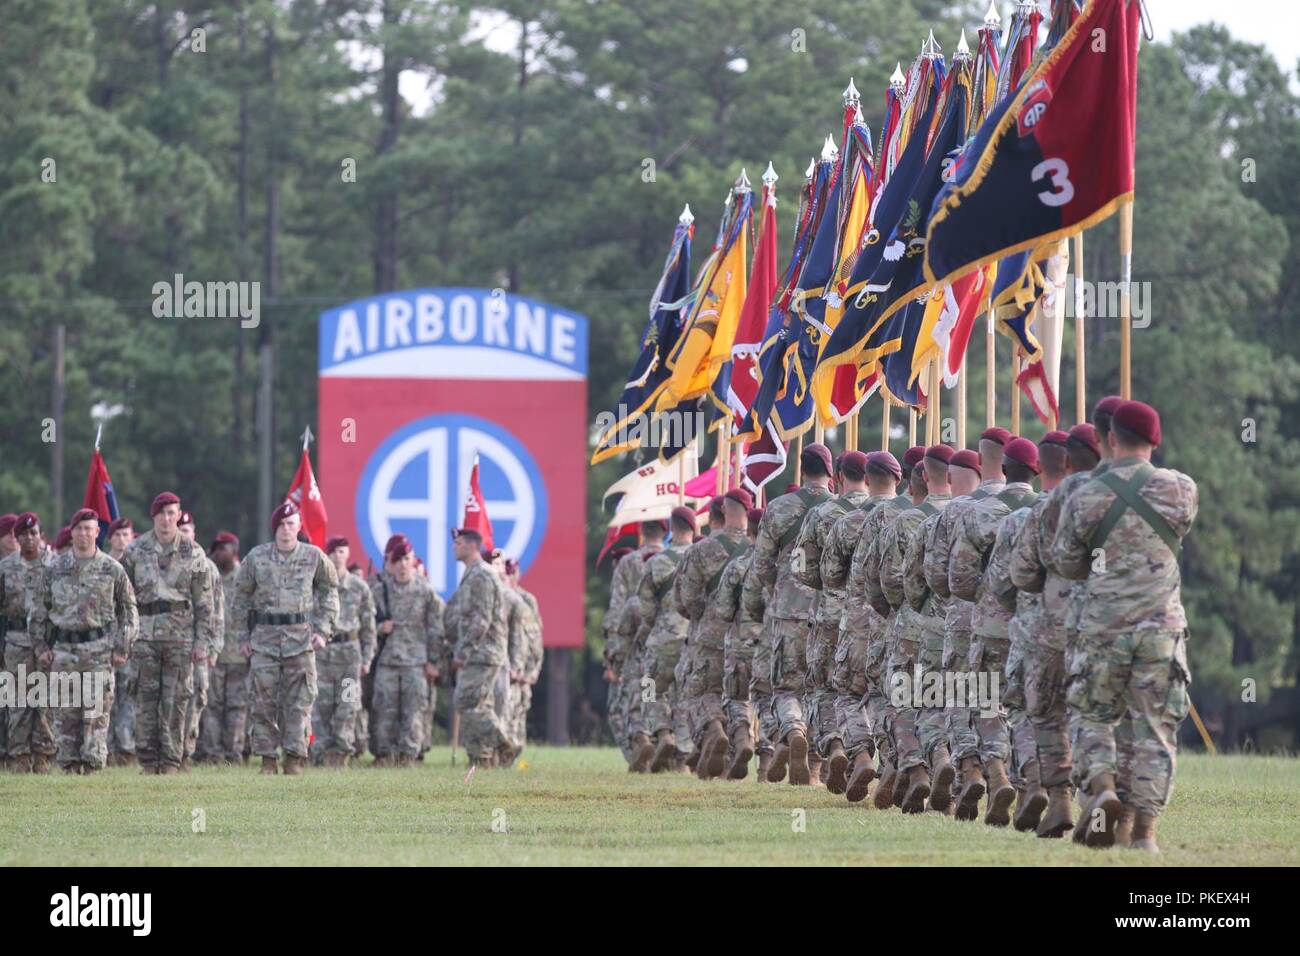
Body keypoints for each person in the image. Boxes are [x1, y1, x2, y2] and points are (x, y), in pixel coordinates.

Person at [1052, 400, 1197, 853]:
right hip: (1160, 631)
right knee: (1154, 728)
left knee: (1092, 716)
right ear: (1156, 441)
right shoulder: (1180, 490)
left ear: (1110, 439)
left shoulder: (1085, 495)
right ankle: (1145, 834)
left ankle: (1103, 786)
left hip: (1101, 628)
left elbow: (1067, 563)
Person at [1008, 423, 1101, 837]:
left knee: (1045, 714)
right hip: (1110, 626)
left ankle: (1060, 797)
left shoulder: (1042, 509)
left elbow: (1021, 574)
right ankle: (1100, 798)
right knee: (1098, 714)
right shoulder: (1129, 499)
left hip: (1048, 628)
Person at [948, 437, 1041, 825]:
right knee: (1030, 710)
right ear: (1036, 471)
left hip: (988, 626)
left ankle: (997, 770)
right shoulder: (1050, 511)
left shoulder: (975, 512)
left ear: (1003, 468)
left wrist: (988, 598)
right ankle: (1031, 784)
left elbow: (957, 578)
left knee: (987, 705)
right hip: (1038, 628)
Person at [742, 443, 835, 786]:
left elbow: (761, 564)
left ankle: (793, 729)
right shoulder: (841, 510)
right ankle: (813, 765)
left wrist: (776, 589)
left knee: (786, 688)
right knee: (823, 689)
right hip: (830, 614)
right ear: (831, 473)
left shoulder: (779, 509)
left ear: (801, 468)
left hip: (788, 611)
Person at [231, 501, 338, 775]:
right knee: (263, 702)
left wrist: (323, 630)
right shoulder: (257, 557)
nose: (285, 530)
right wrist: (243, 635)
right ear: (274, 528)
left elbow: (330, 592)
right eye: (280, 525)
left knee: (300, 702)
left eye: (291, 524)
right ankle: (267, 759)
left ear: (299, 526)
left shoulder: (314, 557)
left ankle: (295, 757)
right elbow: (240, 596)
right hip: (264, 639)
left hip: (301, 641)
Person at [904, 446, 983, 814]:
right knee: (985, 701)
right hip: (994, 626)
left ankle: (940, 760)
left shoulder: (928, 522)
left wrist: (923, 612)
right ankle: (982, 772)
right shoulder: (1002, 514)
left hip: (939, 626)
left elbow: (919, 580)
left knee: (935, 703)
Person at [30, 509, 138, 773]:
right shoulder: (54, 568)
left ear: (97, 532)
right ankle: (68, 766)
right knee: (64, 713)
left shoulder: (112, 569)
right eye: (79, 529)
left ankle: (91, 768)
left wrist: (122, 646)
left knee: (96, 713)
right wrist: (41, 647)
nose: (83, 534)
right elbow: (38, 612)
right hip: (63, 650)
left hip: (99, 650)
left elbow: (129, 611)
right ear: (71, 531)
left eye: (89, 529)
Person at [792, 451, 873, 792]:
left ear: (838, 477)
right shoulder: (887, 512)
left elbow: (800, 567)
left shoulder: (821, 514)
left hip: (829, 611)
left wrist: (825, 587)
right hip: (874, 615)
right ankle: (866, 754)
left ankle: (836, 745)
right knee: (871, 690)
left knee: (823, 688)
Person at [119, 493, 216, 774]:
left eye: (172, 512)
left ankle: (172, 759)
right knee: (145, 698)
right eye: (161, 513)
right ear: (153, 516)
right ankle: (148, 760)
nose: (167, 518)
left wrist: (202, 642)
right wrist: (125, 638)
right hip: (145, 636)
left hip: (180, 636)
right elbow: (124, 600)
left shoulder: (193, 551)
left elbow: (204, 603)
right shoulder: (136, 551)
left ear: (179, 513)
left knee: (177, 700)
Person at [880, 445, 953, 812]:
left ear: (920, 477)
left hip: (913, 626)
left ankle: (917, 767)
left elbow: (891, 581)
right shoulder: (966, 515)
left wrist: (906, 607)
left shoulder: (906, 521)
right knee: (953, 702)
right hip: (959, 629)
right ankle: (946, 763)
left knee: (904, 703)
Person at [855, 446, 927, 807]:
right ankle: (931, 767)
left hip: (893, 621)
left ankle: (896, 766)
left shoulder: (885, 517)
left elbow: (867, 573)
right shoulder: (960, 511)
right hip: (949, 625)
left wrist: (889, 610)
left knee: (892, 696)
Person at [675, 488, 752, 779]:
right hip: (748, 636)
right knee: (739, 695)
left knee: (701, 693)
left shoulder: (701, 550)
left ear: (719, 513)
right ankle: (743, 735)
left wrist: (702, 616)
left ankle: (714, 728)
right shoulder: (758, 549)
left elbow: (685, 599)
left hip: (709, 636)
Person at [367, 534, 443, 766]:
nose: (402, 564)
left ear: (413, 560)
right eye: (398, 559)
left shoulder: (425, 590)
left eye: (406, 559)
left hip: (415, 662)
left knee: (414, 712)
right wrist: (381, 627)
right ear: (392, 562)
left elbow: (435, 628)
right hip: (387, 660)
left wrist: (433, 661)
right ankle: (385, 755)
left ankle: (409, 755)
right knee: (384, 709)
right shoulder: (379, 589)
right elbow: (366, 622)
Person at [446, 528, 515, 768]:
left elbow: (481, 620)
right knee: (479, 705)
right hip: (479, 651)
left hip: (483, 653)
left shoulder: (482, 576)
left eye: (459, 543)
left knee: (465, 702)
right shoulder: (471, 574)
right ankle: (481, 759)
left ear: (472, 546)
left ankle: (504, 742)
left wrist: (462, 653)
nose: (454, 546)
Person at [637, 507, 697, 772]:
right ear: (693, 528)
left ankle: (663, 733)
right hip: (692, 641)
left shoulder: (656, 562)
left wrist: (651, 627)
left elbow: (646, 609)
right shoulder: (702, 557)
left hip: (662, 642)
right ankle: (683, 756)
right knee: (685, 697)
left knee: (650, 688)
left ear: (672, 528)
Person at [604, 521, 665, 771]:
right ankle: (667, 749)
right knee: (661, 695)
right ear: (665, 532)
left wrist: (612, 658)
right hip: (668, 640)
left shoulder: (628, 563)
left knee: (636, 694)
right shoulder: (672, 559)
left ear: (642, 533)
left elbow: (617, 612)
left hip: (635, 643)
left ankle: (642, 740)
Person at [313, 536, 377, 767]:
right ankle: (321, 753)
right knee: (321, 705)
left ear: (348, 554)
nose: (337, 556)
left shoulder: (360, 587)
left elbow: (369, 627)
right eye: (332, 552)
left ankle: (341, 753)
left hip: (349, 655)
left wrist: (367, 658)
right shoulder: (317, 585)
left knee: (348, 704)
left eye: (341, 551)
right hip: (323, 654)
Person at [0, 512, 55, 772]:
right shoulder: (6, 567)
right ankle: (19, 756)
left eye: (34, 534)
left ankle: (43, 755)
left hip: (47, 642)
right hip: (16, 641)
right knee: (19, 701)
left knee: (45, 700)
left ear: (40, 535)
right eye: (24, 534)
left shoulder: (56, 565)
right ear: (17, 538)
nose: (30, 539)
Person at [177, 510, 223, 768]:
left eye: (187, 530)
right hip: (173, 642)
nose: (184, 535)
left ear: (194, 533)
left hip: (200, 646)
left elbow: (218, 610)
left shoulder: (208, 567)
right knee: (173, 696)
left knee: (197, 697)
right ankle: (171, 749)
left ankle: (186, 751)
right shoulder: (166, 563)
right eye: (179, 530)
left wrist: (214, 647)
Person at [202, 531, 248, 764]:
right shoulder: (210, 578)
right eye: (216, 549)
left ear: (234, 550)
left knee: (237, 708)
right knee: (212, 706)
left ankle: (235, 753)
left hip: (239, 656)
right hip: (214, 655)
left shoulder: (245, 578)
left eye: (224, 549)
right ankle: (213, 753)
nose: (219, 553)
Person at [104, 517, 137, 765]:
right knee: (105, 694)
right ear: (109, 538)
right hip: (103, 640)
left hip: (131, 640)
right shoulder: (102, 564)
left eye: (126, 534)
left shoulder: (139, 565)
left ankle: (125, 748)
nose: (122, 539)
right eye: (117, 534)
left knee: (128, 693)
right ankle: (105, 746)